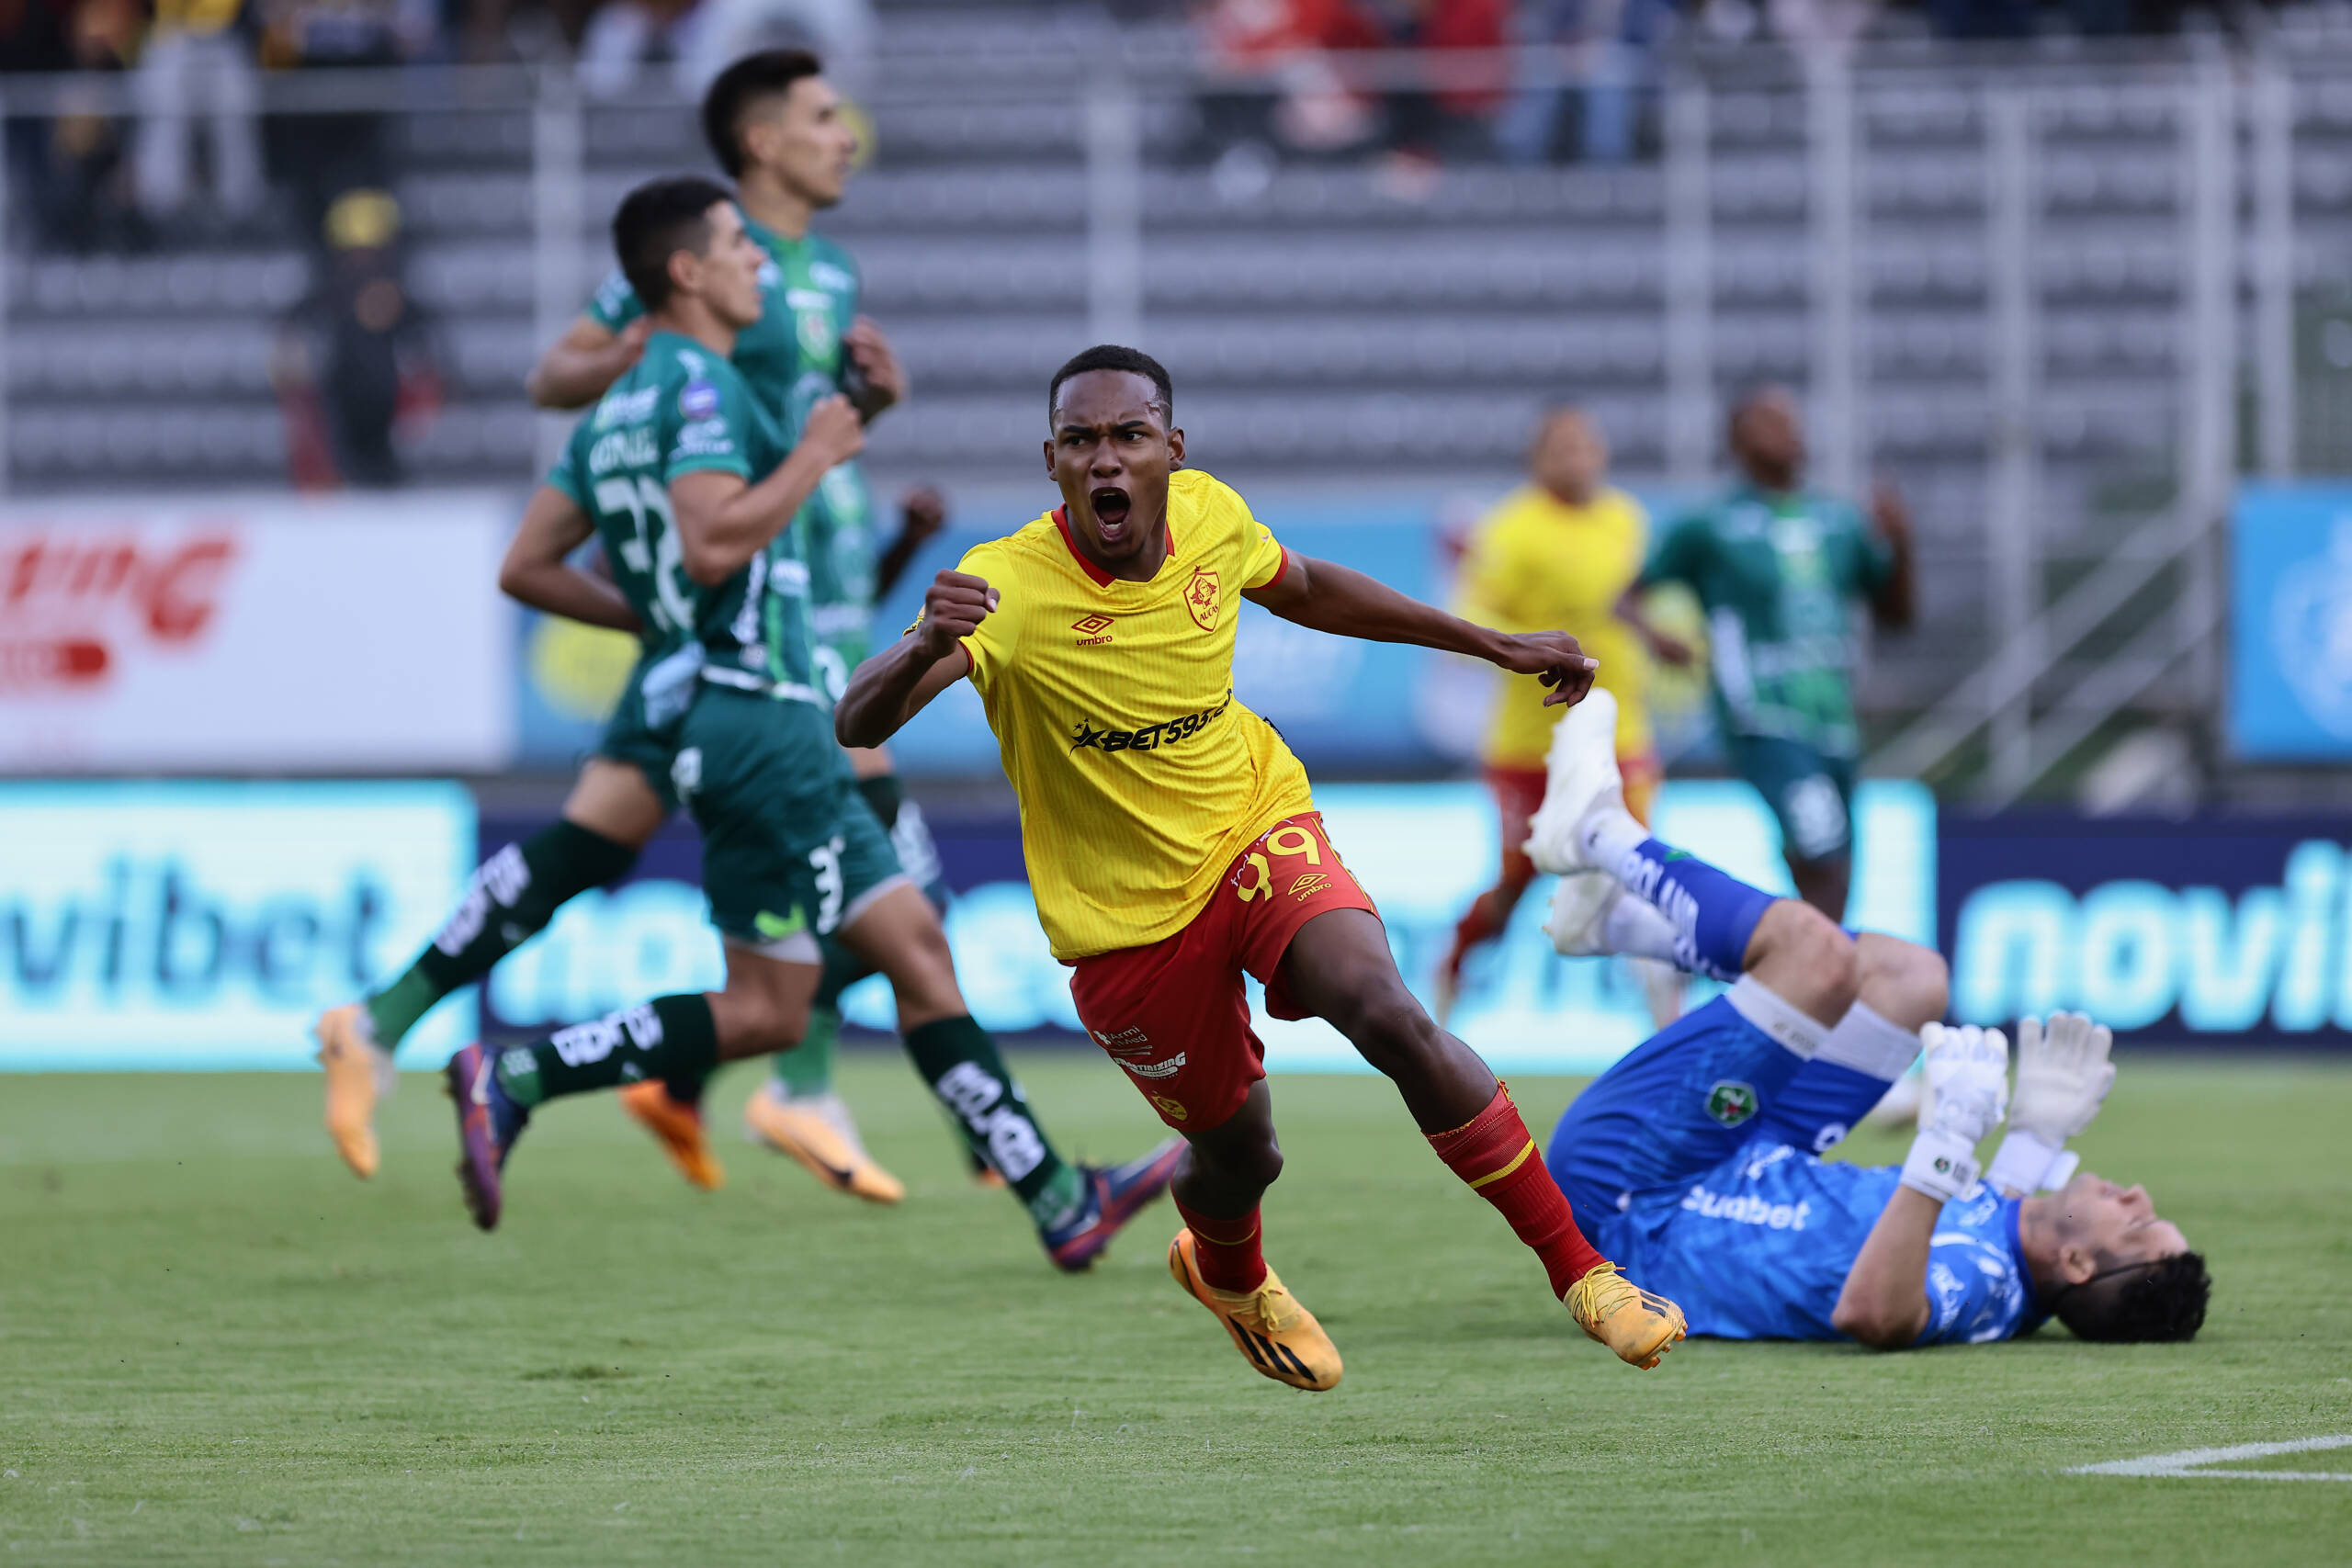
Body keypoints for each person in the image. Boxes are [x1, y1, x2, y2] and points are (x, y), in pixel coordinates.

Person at [327, 178, 1179, 1271]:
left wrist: (829, 442)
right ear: (688, 271)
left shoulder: (625, 405)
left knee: (915, 947)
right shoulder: (701, 390)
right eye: (737, 248)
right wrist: (821, 457)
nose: (757, 266)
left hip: (742, 710)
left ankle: (1059, 1196)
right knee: (769, 1012)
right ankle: (522, 1076)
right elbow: (714, 543)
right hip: (769, 722)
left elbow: (532, 563)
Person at [831, 344, 1689, 1392]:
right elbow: (854, 720)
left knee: (1383, 1008)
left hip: (1254, 825)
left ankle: (1585, 1276)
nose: (1108, 460)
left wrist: (1490, 644)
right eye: (1082, 441)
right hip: (1127, 925)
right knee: (1243, 1154)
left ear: (1170, 449)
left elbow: (1312, 587)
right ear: (1051, 461)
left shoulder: (1209, 516)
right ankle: (1229, 1272)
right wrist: (923, 643)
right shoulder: (1006, 586)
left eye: (1129, 436)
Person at [526, 48, 949, 1203]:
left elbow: (806, 426)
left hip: (828, 588)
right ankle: (807, 1092)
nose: (846, 133)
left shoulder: (836, 271)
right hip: (756, 616)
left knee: (878, 890)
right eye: (823, 117)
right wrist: (656, 346)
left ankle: (703, 1076)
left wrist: (873, 409)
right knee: (889, 883)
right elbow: (553, 376)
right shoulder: (704, 259)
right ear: (762, 141)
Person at [1522, 687, 2211, 1346]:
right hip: (1746, 1158)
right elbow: (1979, 1233)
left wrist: (1943, 1145)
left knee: (1813, 956)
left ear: (2082, 1266)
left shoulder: (1982, 1282)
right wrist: (2030, 1139)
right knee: (1915, 980)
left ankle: (1601, 832)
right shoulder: (2008, 1267)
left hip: (1637, 1199)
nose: (2137, 1193)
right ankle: (1618, 921)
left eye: (2138, 1220)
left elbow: (1876, 1312)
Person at [1435, 404, 1689, 1031]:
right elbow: (1470, 611)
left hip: (1618, 734)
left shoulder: (1626, 519)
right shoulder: (1513, 528)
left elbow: (1648, 600)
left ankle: (1668, 1025)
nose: (1577, 458)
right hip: (1531, 745)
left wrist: (1664, 640)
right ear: (1538, 458)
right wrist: (1523, 647)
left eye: (1586, 446)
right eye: (1563, 447)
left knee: (1641, 871)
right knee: (1517, 881)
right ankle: (1450, 978)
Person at [1629, 386, 1916, 920]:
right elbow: (1627, 595)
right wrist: (1656, 636)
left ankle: (1794, 976)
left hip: (1835, 718)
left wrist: (1901, 545)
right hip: (1764, 717)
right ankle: (1807, 981)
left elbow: (1897, 618)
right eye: (1768, 421)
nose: (1787, 430)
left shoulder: (1839, 521)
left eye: (1791, 419)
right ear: (1737, 440)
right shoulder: (1711, 527)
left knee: (1834, 872)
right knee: (1822, 858)